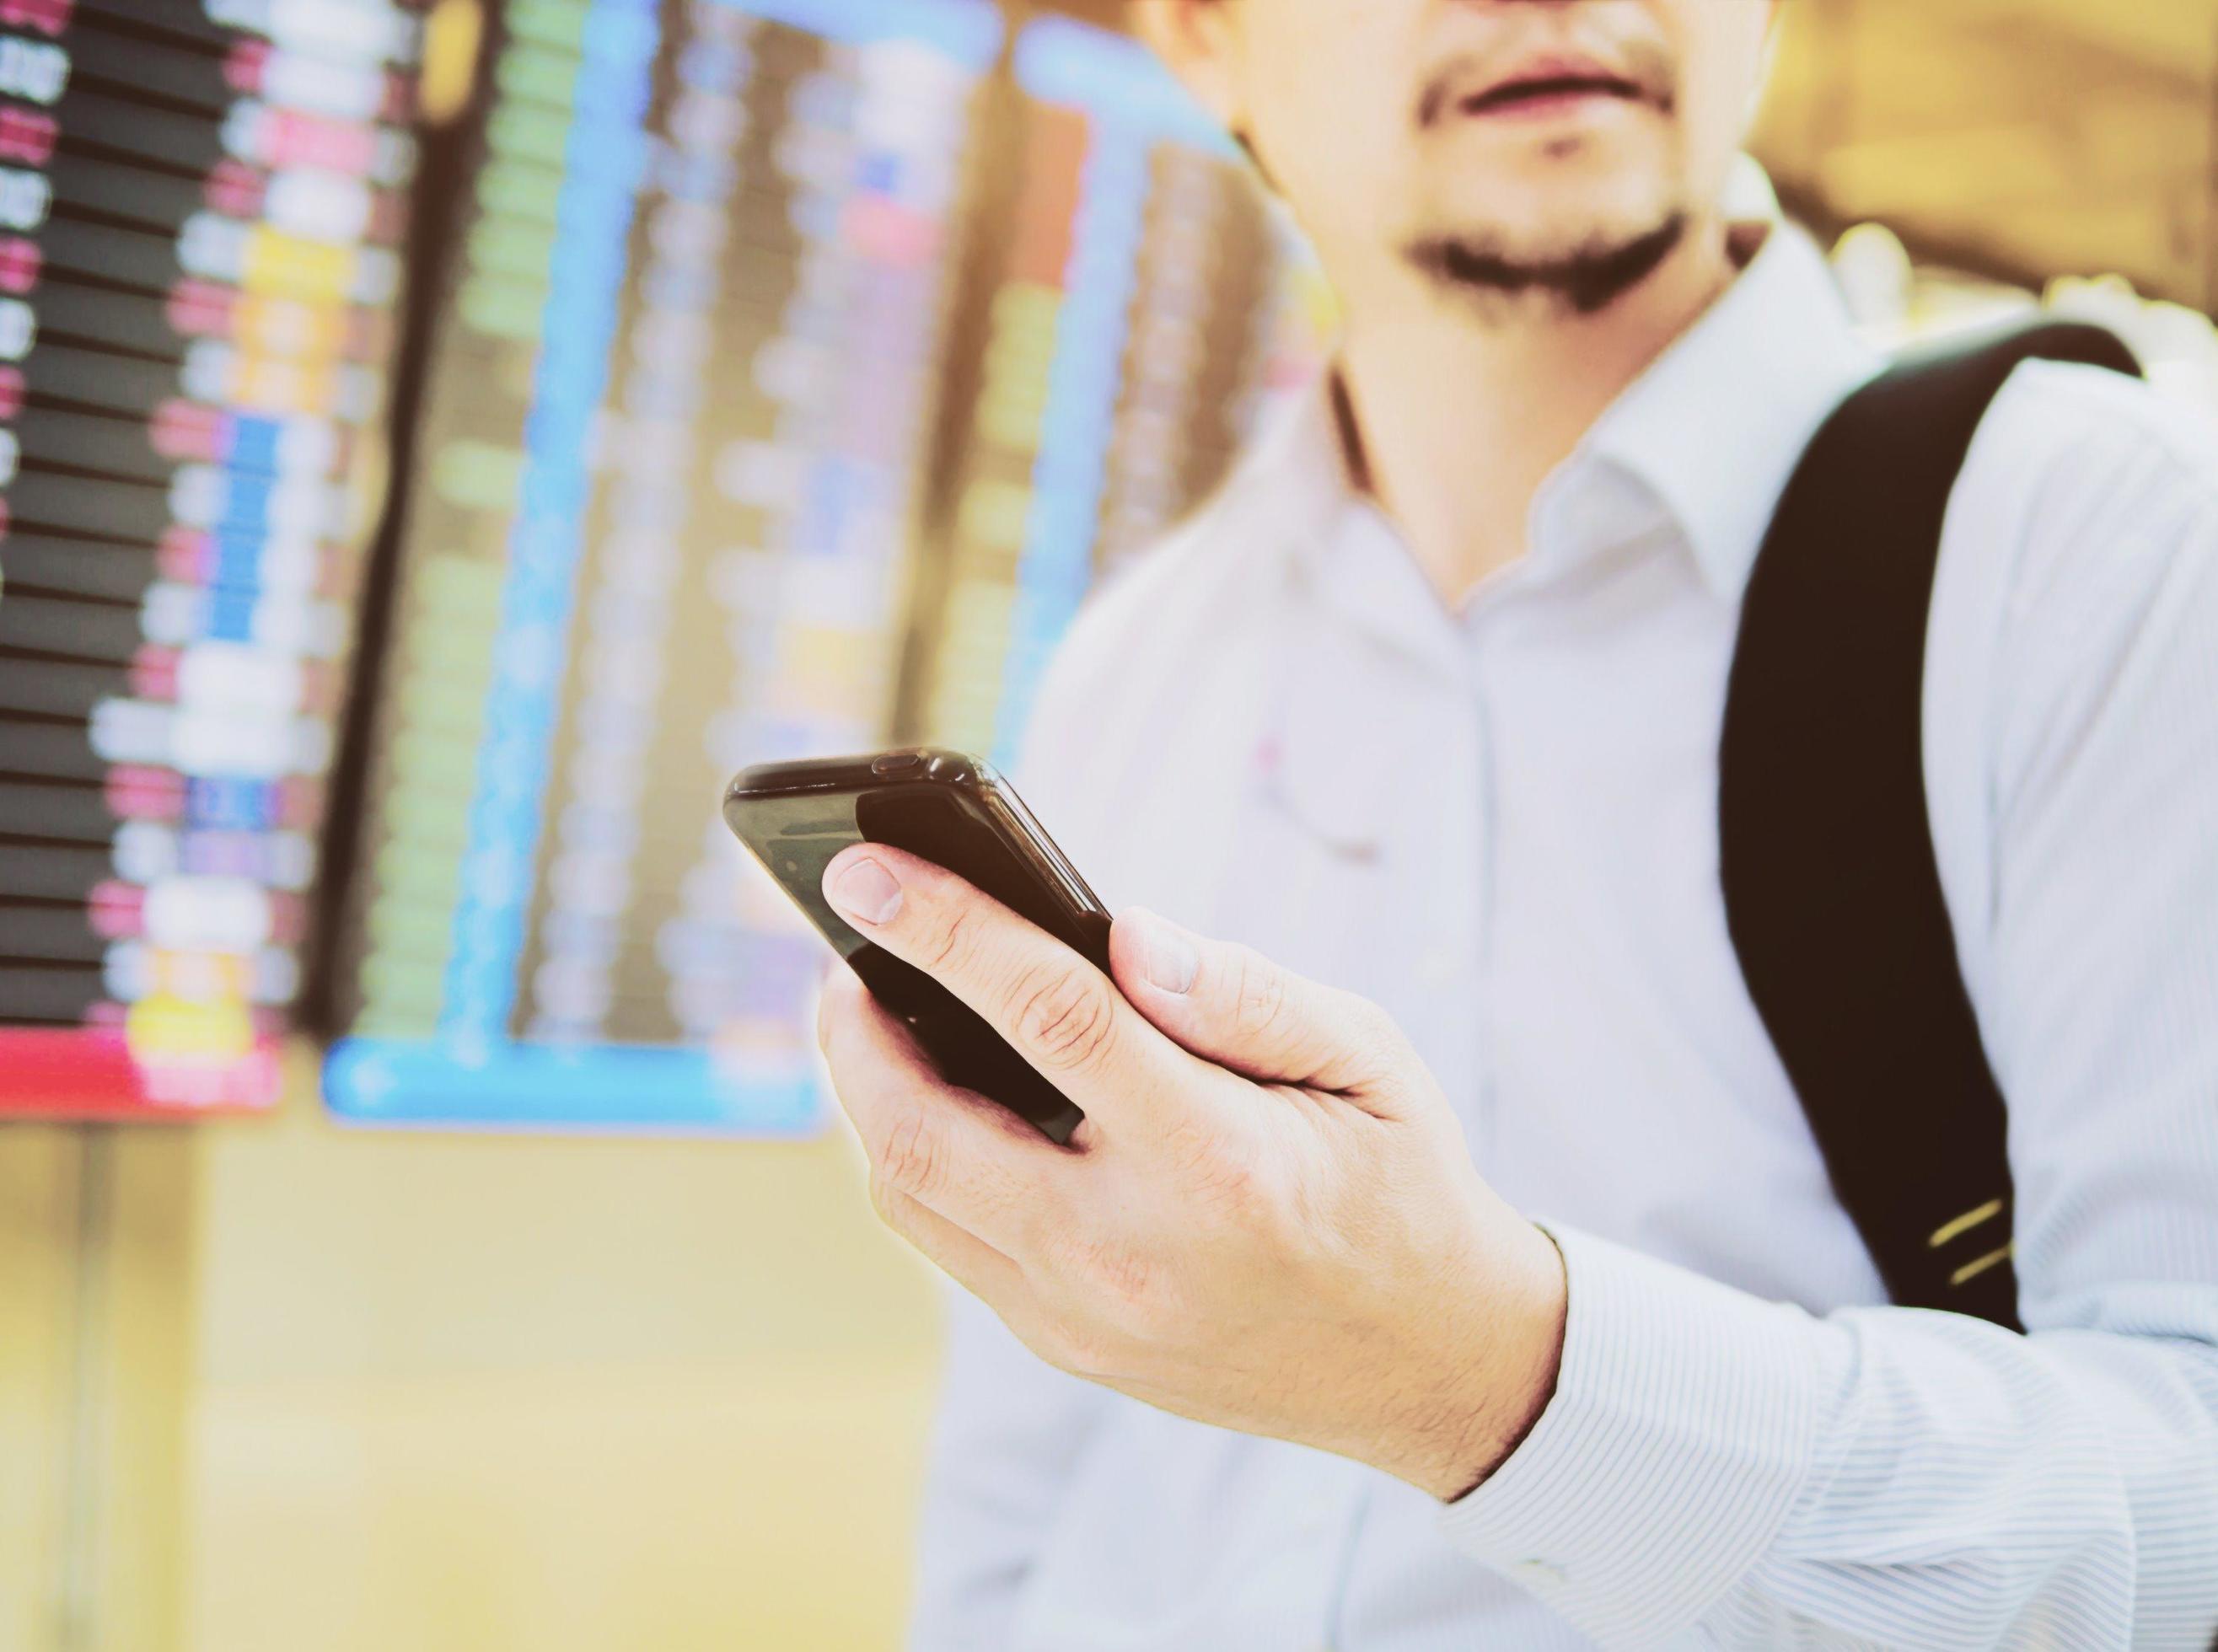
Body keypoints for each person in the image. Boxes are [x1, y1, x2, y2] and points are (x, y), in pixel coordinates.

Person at [813, 1, 2218, 1645]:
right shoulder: (1134, 667)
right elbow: (1022, 1474)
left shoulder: (2107, 551)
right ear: (1198, 38)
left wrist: (1487, 1376)